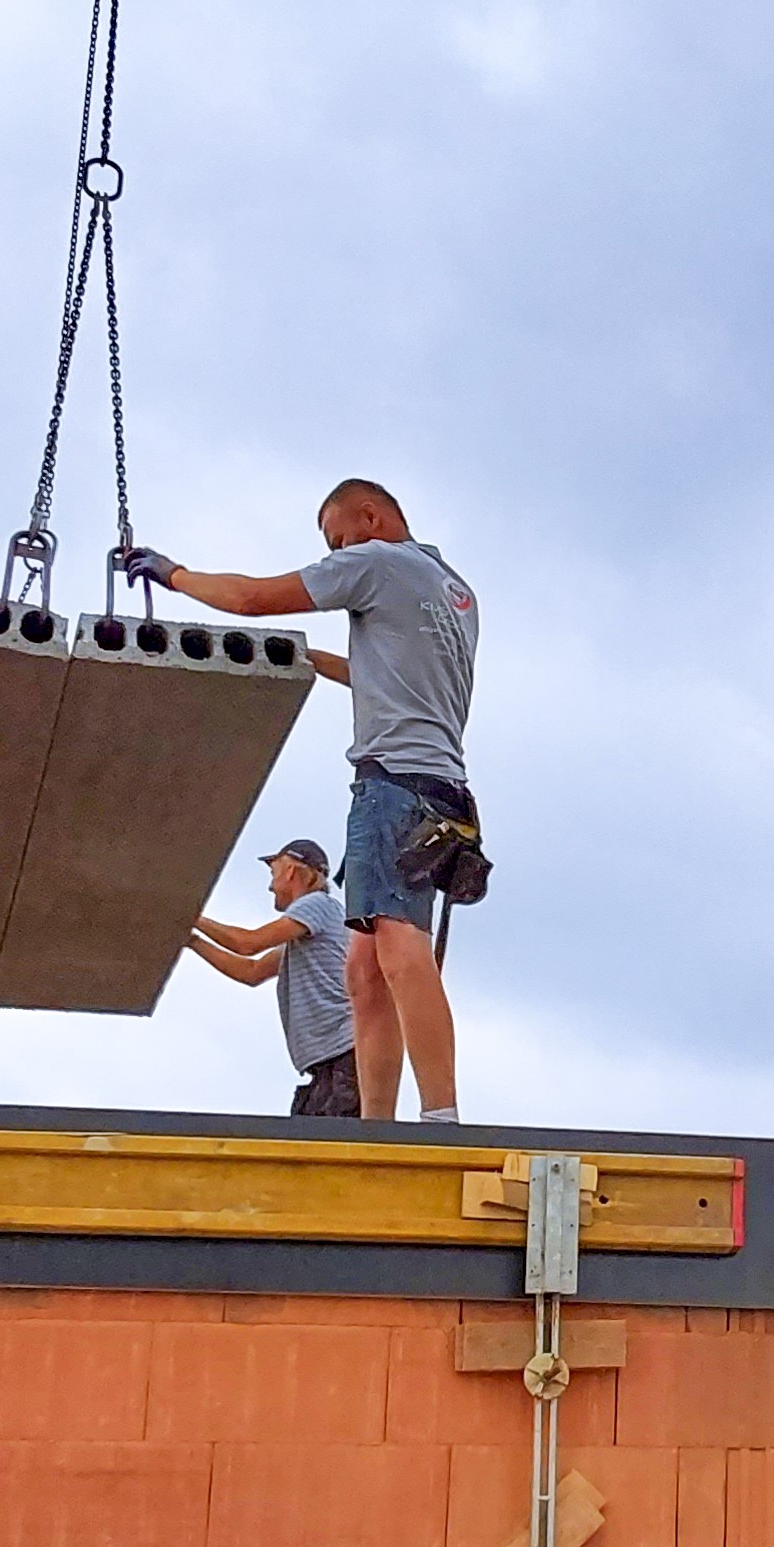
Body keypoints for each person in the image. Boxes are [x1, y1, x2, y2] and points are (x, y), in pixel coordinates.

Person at [119, 477, 478, 1124]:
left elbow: (253, 598)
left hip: (394, 782)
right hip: (437, 790)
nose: (337, 554)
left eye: (338, 539)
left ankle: (441, 1119)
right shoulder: (450, 590)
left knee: (397, 946)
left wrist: (173, 575)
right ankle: (378, 1129)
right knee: (363, 966)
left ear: (370, 517)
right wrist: (302, 657)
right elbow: (380, 676)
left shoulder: (376, 562)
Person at [186, 838, 358, 1118]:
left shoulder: (316, 904)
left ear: (290, 871)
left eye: (273, 872)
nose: (270, 886)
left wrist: (192, 918)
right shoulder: (306, 936)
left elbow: (248, 943)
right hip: (333, 1061)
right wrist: (193, 941)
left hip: (343, 1055)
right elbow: (252, 971)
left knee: (331, 1138)